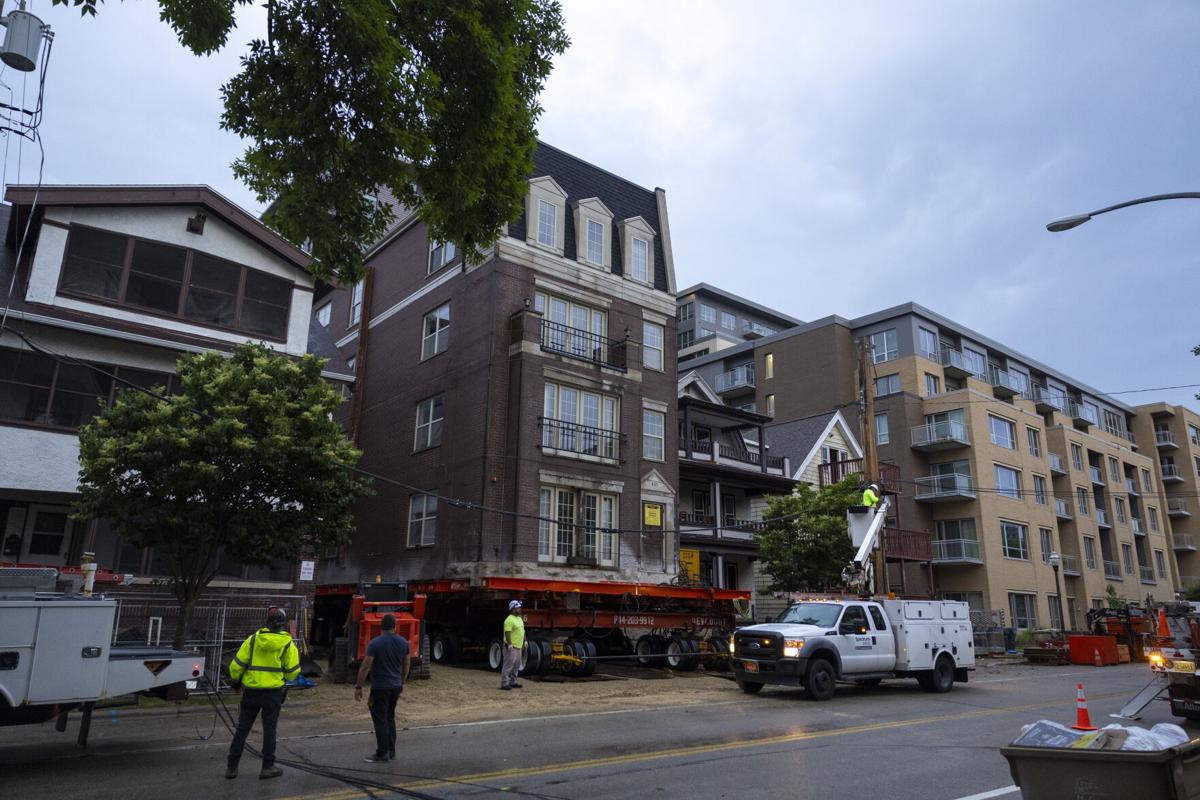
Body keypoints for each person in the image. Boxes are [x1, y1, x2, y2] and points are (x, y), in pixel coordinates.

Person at [226, 607, 300, 780]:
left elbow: (236, 667)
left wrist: (236, 683)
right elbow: (292, 673)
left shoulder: (252, 641)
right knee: (269, 730)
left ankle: (232, 767)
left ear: (266, 623)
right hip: (273, 693)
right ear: (283, 626)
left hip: (251, 691)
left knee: (242, 728)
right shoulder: (288, 644)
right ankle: (267, 767)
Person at [355, 613, 411, 763]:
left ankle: (382, 752)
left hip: (380, 687)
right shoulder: (403, 643)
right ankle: (391, 751)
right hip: (395, 686)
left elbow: (366, 666)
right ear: (395, 626)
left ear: (381, 626)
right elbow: (406, 664)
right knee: (390, 717)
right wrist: (402, 682)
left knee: (380, 719)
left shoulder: (375, 643)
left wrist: (359, 686)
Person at [500, 600, 525, 691]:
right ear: (513, 609)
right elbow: (508, 633)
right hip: (511, 647)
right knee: (508, 665)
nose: (520, 609)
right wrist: (510, 644)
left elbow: (522, 631)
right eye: (518, 607)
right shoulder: (509, 620)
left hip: (518, 646)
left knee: (516, 666)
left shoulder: (519, 618)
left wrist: (524, 641)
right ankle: (504, 683)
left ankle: (513, 682)